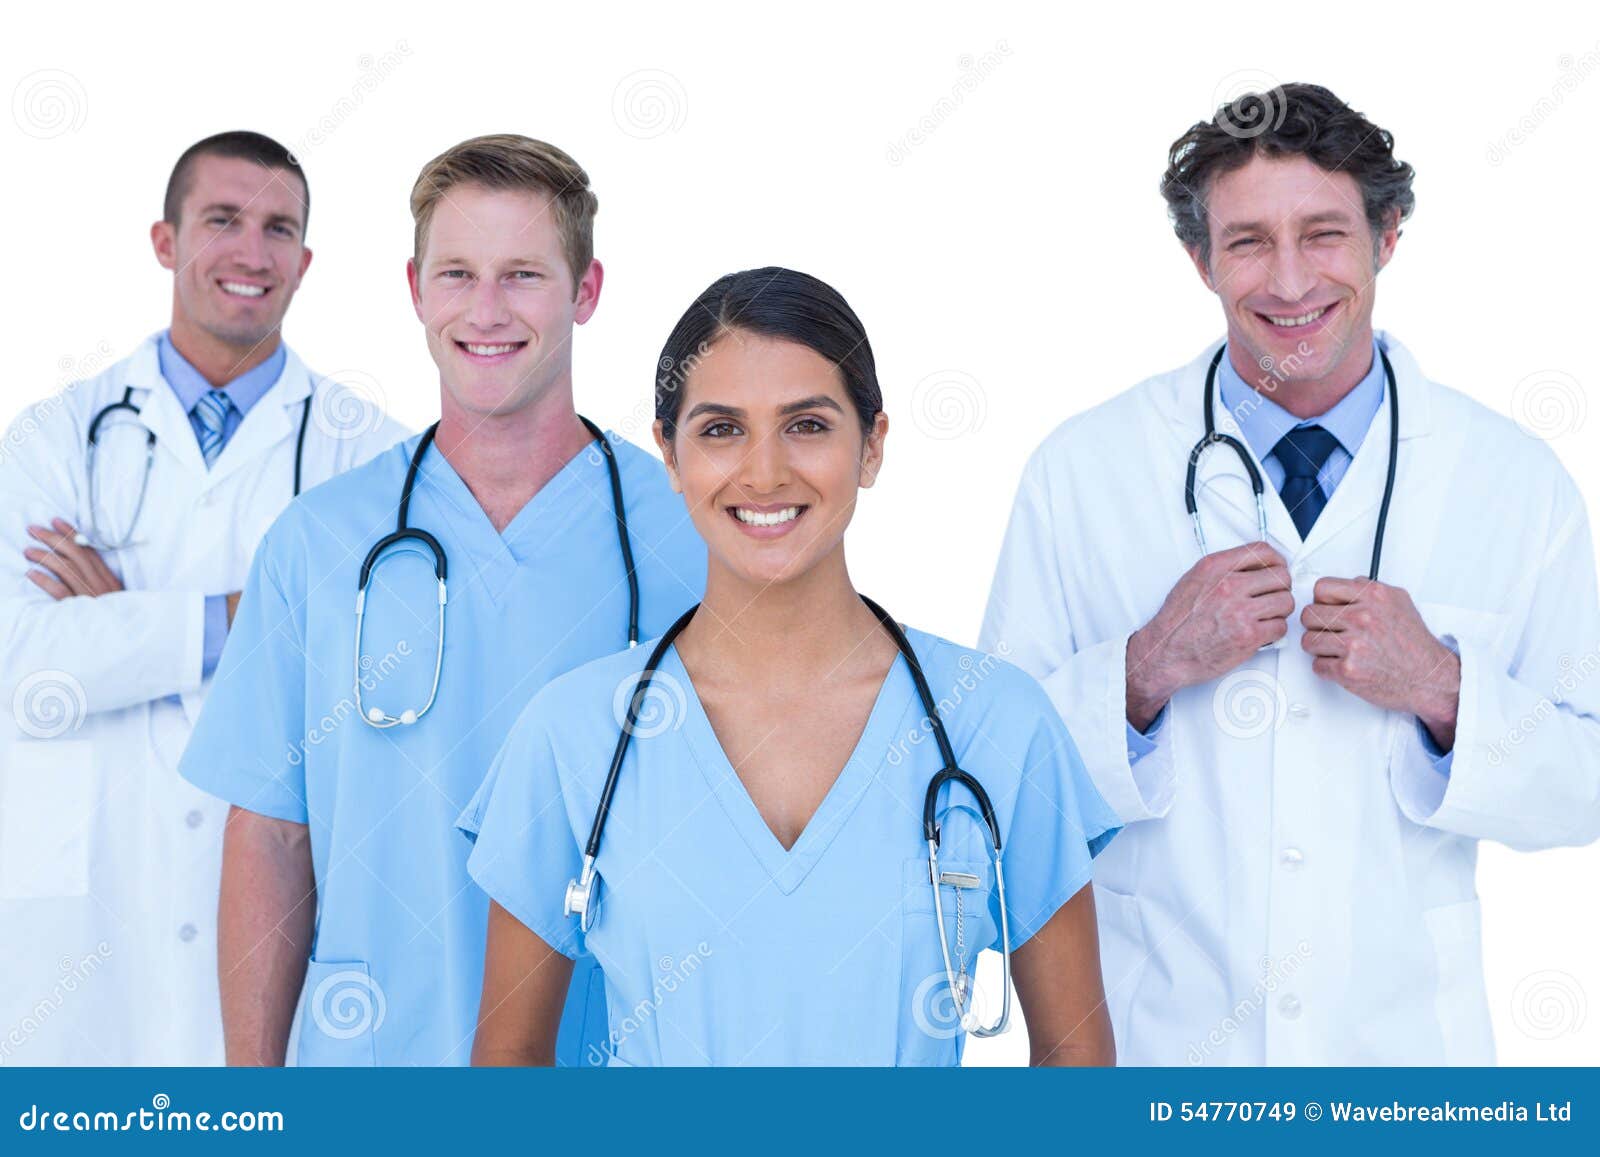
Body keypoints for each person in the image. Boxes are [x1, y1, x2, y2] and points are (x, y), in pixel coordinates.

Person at [981, 83, 1600, 1065]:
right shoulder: (1082, 470)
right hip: (1163, 1054)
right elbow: (988, 789)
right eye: (1246, 242)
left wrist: (1442, 690)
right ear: (1200, 260)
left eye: (1322, 234)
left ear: (1385, 235)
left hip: (1404, 1061)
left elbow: (1585, 781)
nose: (1288, 279)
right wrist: (1139, 673)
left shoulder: (1512, 481)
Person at [459, 267, 1121, 1067]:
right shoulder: (573, 735)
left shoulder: (998, 722)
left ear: (871, 445)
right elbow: (508, 1068)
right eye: (720, 429)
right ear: (669, 455)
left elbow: (1076, 1063)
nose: (764, 472)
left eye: (807, 425)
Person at [177, 134, 706, 1066]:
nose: (486, 310)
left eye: (524, 276)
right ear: (415, 289)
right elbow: (268, 834)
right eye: (457, 273)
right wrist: (250, 1100)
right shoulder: (319, 540)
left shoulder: (691, 534)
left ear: (585, 292)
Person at [0, 131, 403, 1065]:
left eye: (278, 229)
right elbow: (23, 661)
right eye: (222, 219)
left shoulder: (369, 454)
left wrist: (120, 621)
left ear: (305, 261)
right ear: (165, 239)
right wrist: (256, 616)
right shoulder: (52, 440)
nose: (251, 252)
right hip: (85, 945)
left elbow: (380, 672)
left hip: (287, 923)